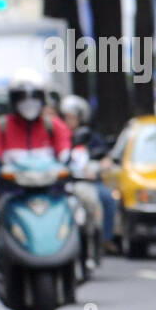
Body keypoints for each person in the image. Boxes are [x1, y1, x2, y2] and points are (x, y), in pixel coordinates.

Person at [60, 93, 116, 253]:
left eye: (72, 117)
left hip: (88, 180)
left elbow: (106, 158)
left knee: (106, 199)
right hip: (66, 182)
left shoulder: (91, 137)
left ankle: (103, 237)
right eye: (66, 117)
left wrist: (96, 168)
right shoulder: (61, 136)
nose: (69, 121)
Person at [0, 69, 71, 160]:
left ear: (42, 98)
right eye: (22, 97)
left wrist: (72, 157)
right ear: (14, 99)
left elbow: (65, 150)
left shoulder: (54, 125)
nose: (29, 102)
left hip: (50, 174)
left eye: (35, 96)